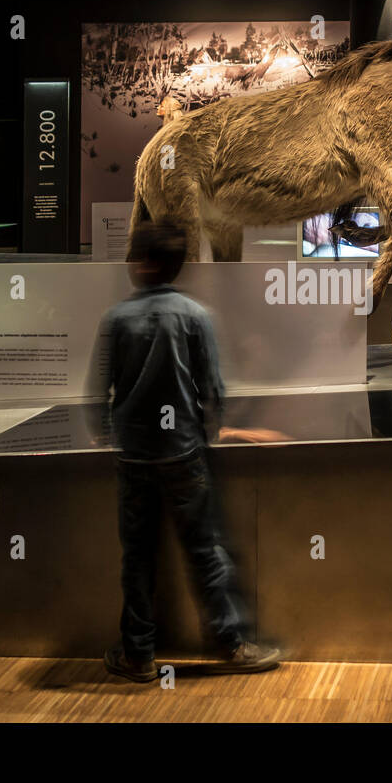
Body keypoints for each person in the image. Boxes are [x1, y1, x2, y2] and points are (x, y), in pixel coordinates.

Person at [102, 222, 281, 681]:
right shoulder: (195, 315)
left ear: (141, 262)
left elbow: (99, 390)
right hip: (184, 452)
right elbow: (213, 387)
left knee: (137, 557)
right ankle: (231, 644)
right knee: (205, 550)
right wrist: (213, 429)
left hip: (134, 455)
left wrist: (105, 434)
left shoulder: (117, 319)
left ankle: (138, 654)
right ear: (176, 266)